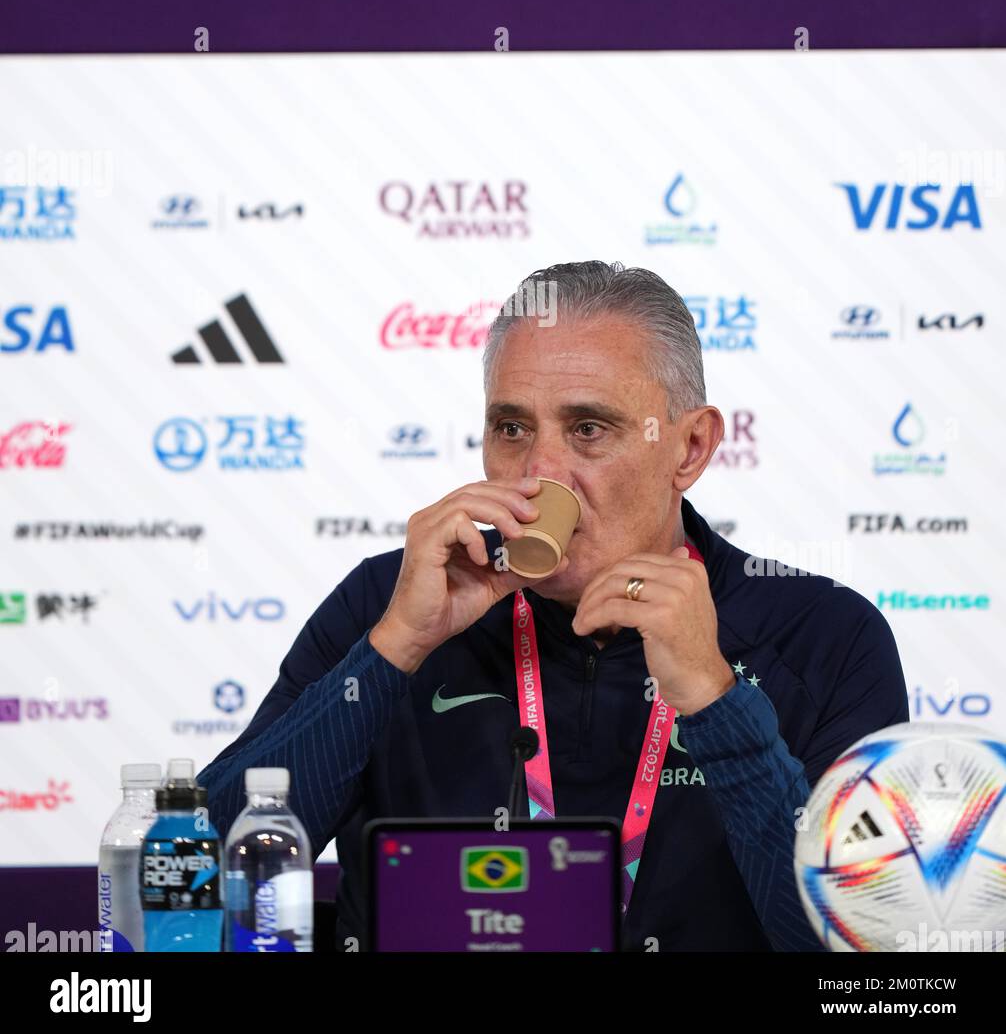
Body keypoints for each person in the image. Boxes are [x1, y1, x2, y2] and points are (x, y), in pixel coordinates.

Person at [199, 260, 908, 951]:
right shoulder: (387, 605)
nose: (539, 473)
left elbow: (865, 954)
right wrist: (394, 651)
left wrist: (715, 699)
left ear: (689, 447)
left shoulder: (825, 635)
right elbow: (198, 891)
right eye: (511, 429)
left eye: (588, 430)